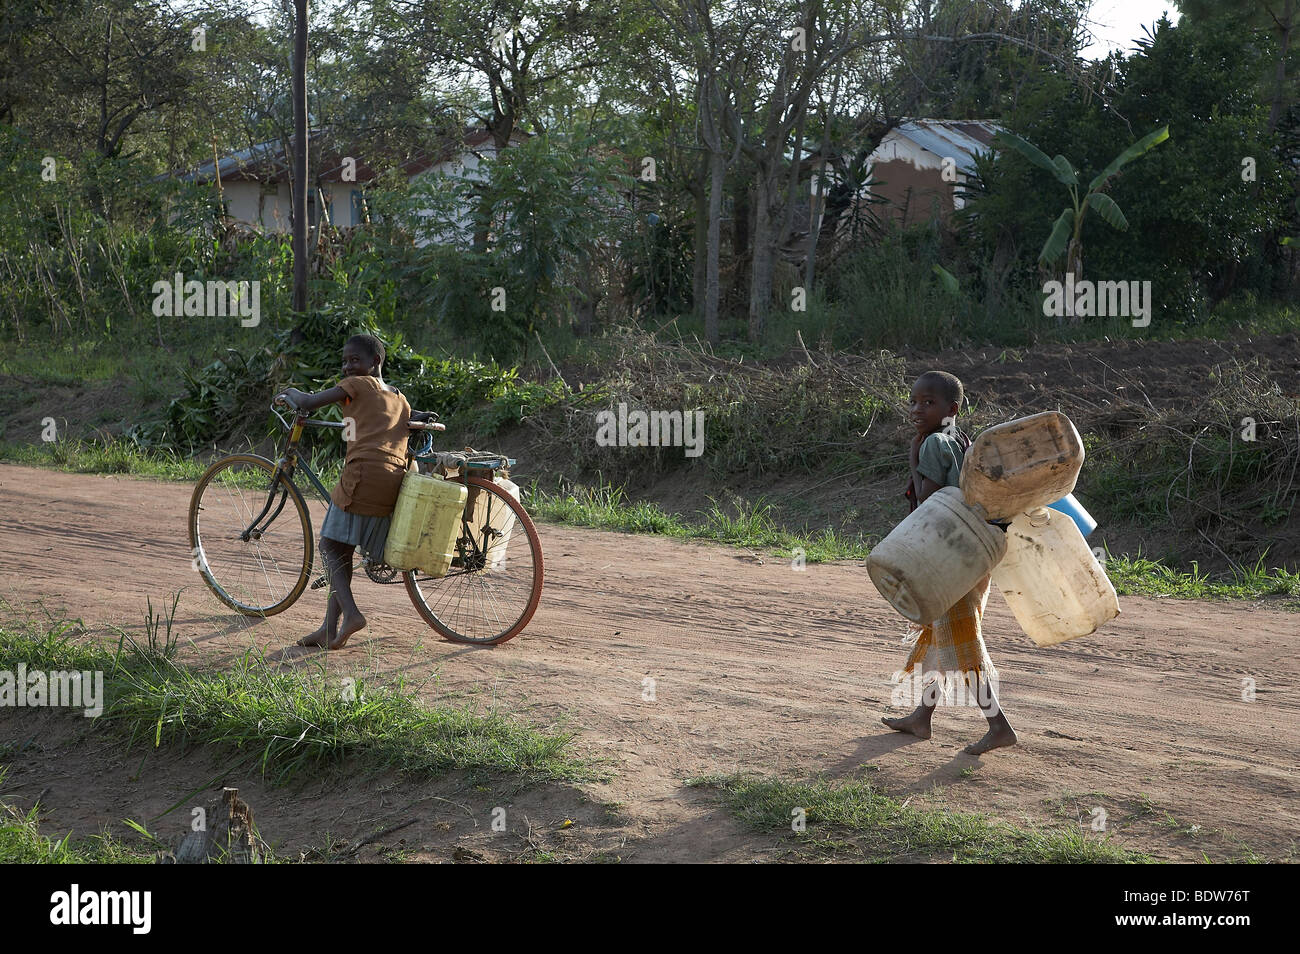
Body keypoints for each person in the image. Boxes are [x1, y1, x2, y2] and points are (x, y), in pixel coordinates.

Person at [881, 370, 1018, 755]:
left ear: (951, 409)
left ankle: (999, 725)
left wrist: (913, 459)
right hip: (973, 553)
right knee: (937, 639)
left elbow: (928, 505)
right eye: (913, 402)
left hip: (947, 558)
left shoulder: (932, 445)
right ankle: (922, 718)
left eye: (927, 403)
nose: (916, 409)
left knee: (963, 644)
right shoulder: (962, 439)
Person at [277, 334, 434, 650]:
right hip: (393, 482)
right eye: (345, 361)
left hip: (361, 479)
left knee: (329, 547)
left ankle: (351, 614)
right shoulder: (400, 398)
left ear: (375, 362)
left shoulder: (358, 385)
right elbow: (405, 418)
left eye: (355, 360)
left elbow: (308, 403)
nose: (348, 367)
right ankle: (327, 629)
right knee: (343, 550)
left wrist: (290, 393)